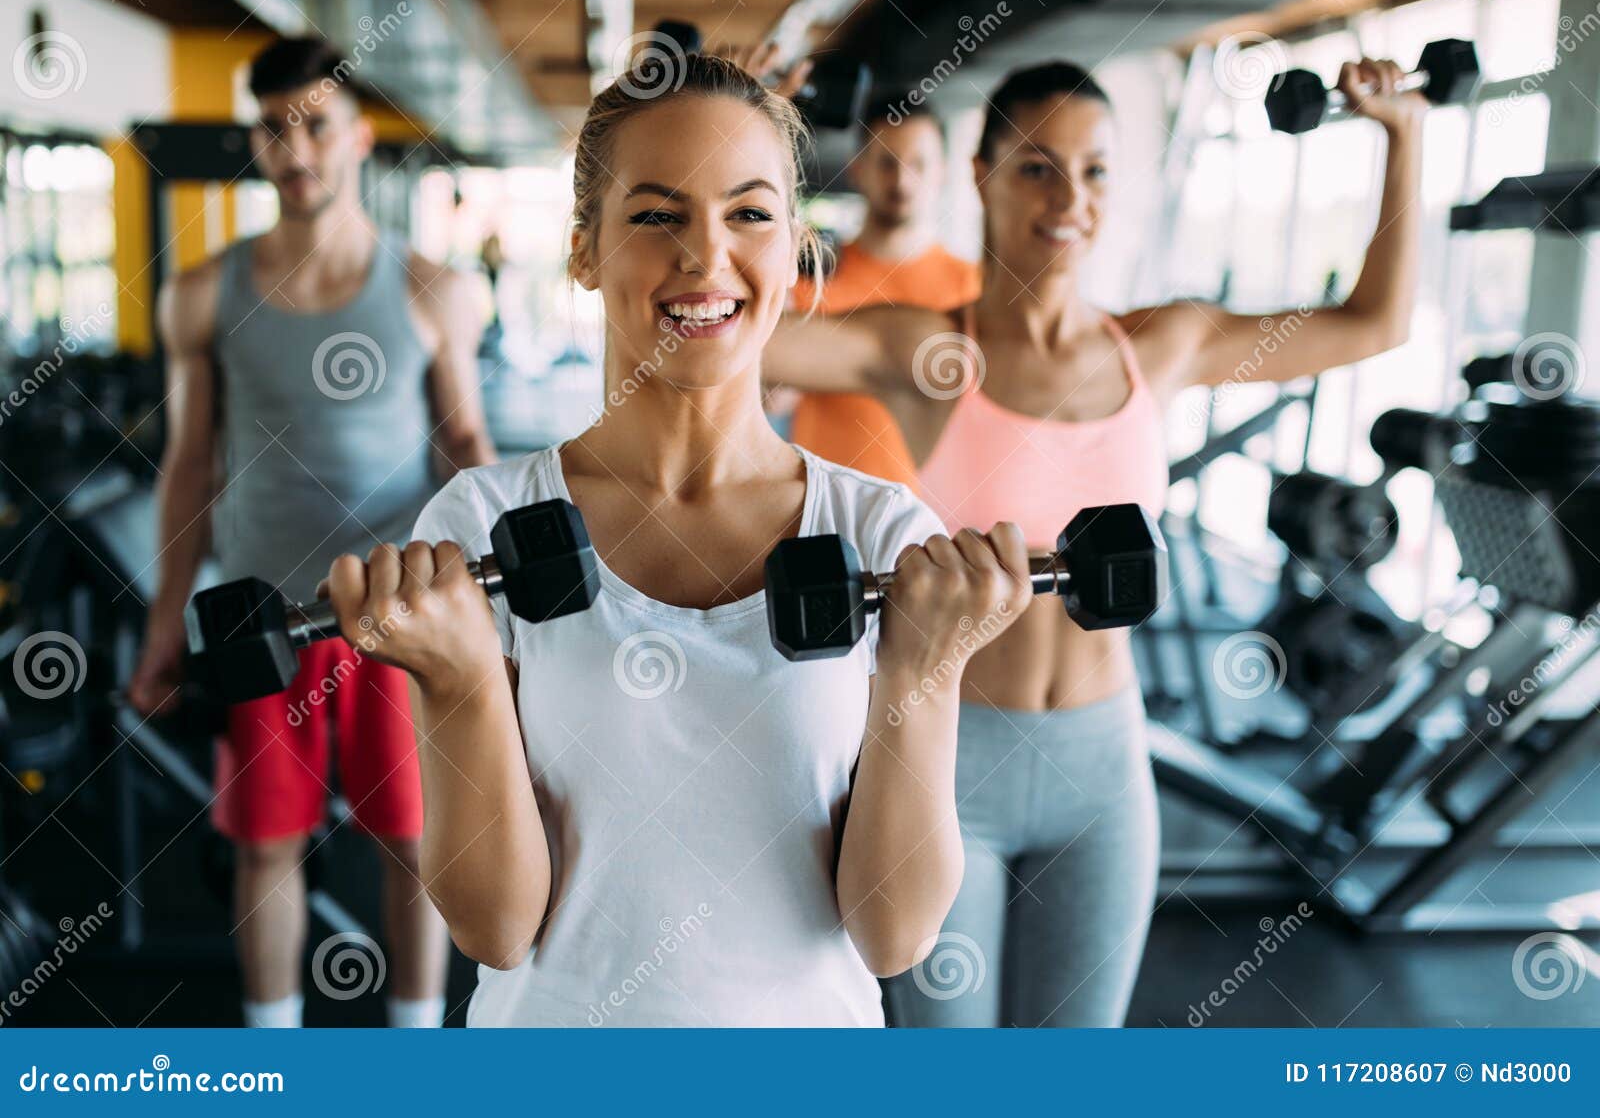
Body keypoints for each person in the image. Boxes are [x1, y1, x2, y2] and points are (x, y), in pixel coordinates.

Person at [321, 52, 1035, 1026]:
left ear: (797, 253)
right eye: (656, 215)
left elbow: (892, 932)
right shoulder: (477, 523)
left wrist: (930, 667)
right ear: (584, 250)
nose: (705, 256)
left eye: (749, 214)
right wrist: (462, 682)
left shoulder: (881, 533)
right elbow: (495, 927)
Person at [763, 58, 1423, 1026]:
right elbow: (736, 339)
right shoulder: (923, 352)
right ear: (981, 175)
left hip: (1104, 765)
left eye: (1096, 170)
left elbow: (1375, 322)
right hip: (951, 760)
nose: (1069, 198)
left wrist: (1403, 136)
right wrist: (751, 137)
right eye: (1037, 167)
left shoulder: (1161, 345)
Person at [126, 37, 498, 1028]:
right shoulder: (204, 293)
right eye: (274, 127)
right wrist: (167, 625)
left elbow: (463, 441)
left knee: (412, 838)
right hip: (258, 616)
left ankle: (415, 1049)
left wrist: (500, 582)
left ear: (357, 137)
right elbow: (189, 463)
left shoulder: (431, 289)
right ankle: (274, 1057)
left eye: (315, 124)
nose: (295, 150)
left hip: (390, 611)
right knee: (265, 841)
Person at [787, 98, 980, 486]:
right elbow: (774, 400)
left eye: (918, 163)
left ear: (941, 172)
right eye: (887, 162)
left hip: (936, 515)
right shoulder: (810, 279)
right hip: (825, 508)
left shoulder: (976, 288)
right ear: (858, 170)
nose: (902, 179)